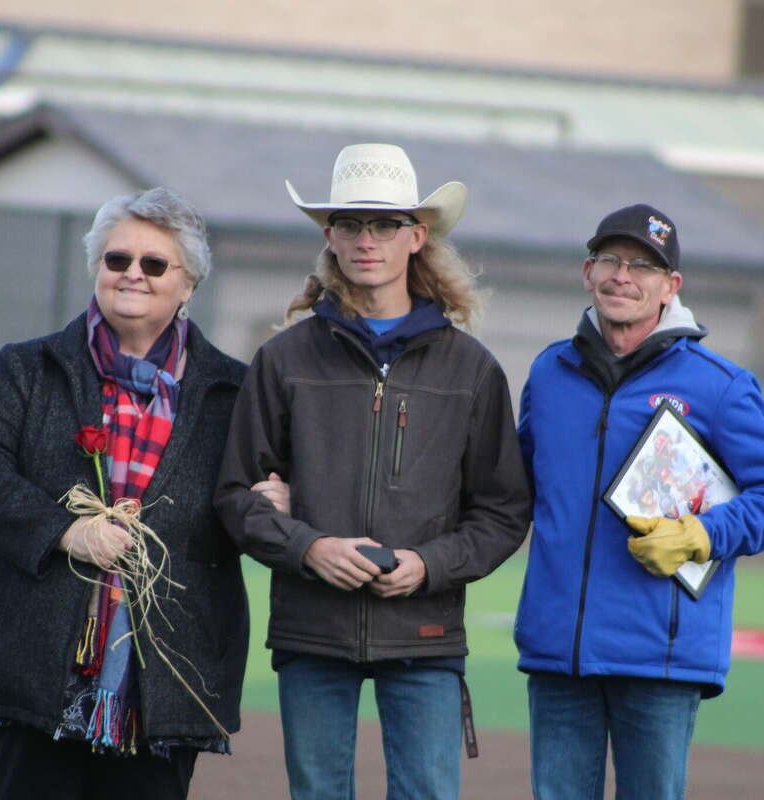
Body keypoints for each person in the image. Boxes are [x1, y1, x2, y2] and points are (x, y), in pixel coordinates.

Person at [215, 143, 531, 800]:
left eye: (385, 224)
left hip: (425, 630)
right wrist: (310, 549)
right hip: (312, 629)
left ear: (416, 235)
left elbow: (504, 510)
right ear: (329, 234)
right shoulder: (282, 360)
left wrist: (430, 566)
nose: (368, 239)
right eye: (353, 223)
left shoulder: (470, 371)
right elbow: (234, 494)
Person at [0, 188, 276, 799]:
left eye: (154, 264)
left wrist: (271, 503)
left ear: (188, 284)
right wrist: (63, 530)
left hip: (169, 672)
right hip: (35, 662)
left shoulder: (236, 392)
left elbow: (255, 498)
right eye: (116, 259)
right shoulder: (28, 368)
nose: (132, 275)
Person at [513, 203, 764, 799]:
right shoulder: (550, 372)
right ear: (587, 271)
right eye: (610, 260)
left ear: (670, 287)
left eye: (643, 267)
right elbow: (508, 486)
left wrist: (705, 534)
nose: (623, 277)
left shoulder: (718, 385)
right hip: (559, 653)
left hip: (659, 657)